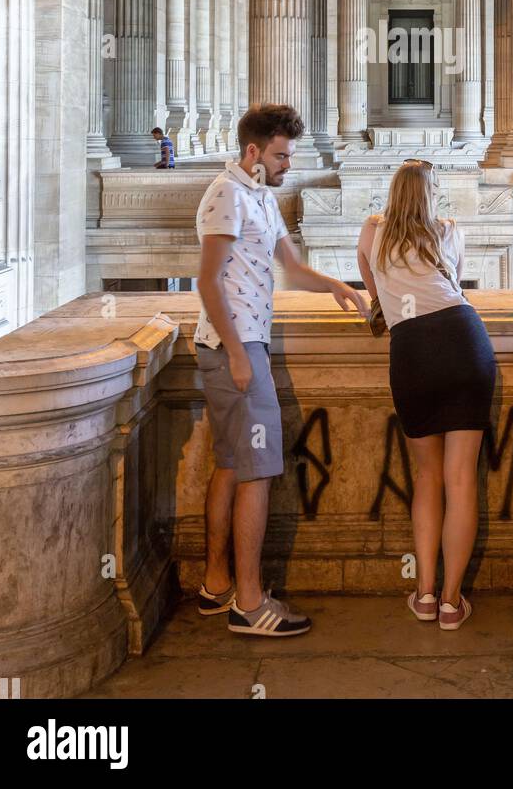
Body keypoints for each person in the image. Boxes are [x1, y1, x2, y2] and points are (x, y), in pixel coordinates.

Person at [195, 102, 366, 636]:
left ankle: (216, 585)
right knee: (260, 470)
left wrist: (339, 286)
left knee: (230, 465)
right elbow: (207, 281)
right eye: (281, 155)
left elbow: (290, 269)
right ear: (254, 151)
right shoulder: (226, 195)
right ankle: (250, 604)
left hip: (242, 346)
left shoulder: (261, 196)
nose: (288, 163)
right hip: (235, 349)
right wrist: (240, 354)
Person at [356, 159, 496, 631]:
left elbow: (375, 292)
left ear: (394, 193)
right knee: (462, 480)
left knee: (428, 477)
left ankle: (424, 594)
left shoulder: (372, 232)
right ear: (432, 195)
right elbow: (453, 282)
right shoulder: (449, 231)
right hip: (464, 341)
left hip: (413, 350)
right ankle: (453, 604)